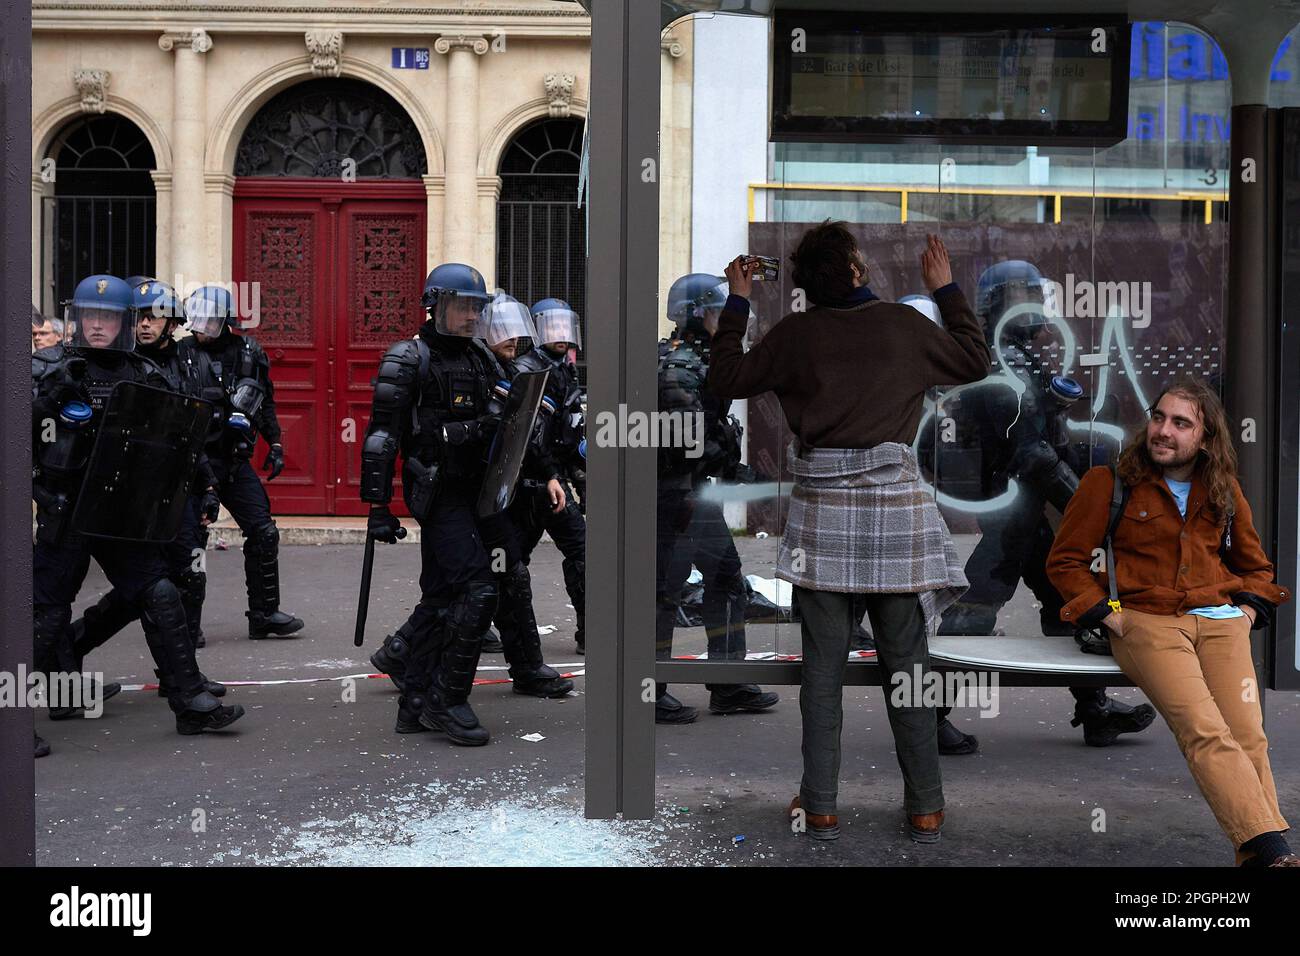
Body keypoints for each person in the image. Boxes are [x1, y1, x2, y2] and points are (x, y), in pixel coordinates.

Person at [708, 226, 988, 843]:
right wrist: (945, 290)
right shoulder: (905, 326)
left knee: (822, 674)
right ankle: (925, 806)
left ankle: (822, 804)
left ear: (808, 282)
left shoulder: (795, 335)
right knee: (907, 670)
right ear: (857, 269)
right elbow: (976, 359)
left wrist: (738, 299)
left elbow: (724, 378)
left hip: (823, 519)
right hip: (898, 519)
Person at [1048, 379, 1295, 866]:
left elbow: (1257, 568)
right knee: (1204, 729)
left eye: (1181, 423)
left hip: (1221, 621)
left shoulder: (1223, 489)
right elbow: (1065, 561)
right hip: (1147, 621)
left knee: (1248, 736)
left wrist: (1246, 612)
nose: (1163, 430)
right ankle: (1274, 851)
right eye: (1159, 417)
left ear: (1204, 438)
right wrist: (1105, 615)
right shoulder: (1109, 481)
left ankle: (1260, 858)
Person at [935, 260, 1155, 754]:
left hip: (1027, 509)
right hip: (1015, 507)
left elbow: (1041, 436)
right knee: (976, 606)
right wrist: (1085, 502)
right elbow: (1031, 454)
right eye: (1031, 295)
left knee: (1065, 598)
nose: (1042, 307)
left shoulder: (1012, 355)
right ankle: (928, 714)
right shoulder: (1003, 361)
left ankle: (1095, 712)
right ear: (1011, 301)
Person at [32, 274, 244, 757]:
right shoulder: (45, 367)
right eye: (91, 316)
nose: (100, 326)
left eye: (109, 317)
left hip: (118, 510)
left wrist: (204, 487)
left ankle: (190, 701)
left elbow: (177, 439)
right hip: (64, 511)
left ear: (125, 322)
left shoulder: (146, 372)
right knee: (45, 613)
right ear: (77, 318)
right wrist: (47, 400)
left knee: (160, 593)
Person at [362, 265, 569, 746]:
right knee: (477, 590)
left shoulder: (481, 356)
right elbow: (381, 438)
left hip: (482, 493)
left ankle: (415, 703)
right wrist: (377, 507)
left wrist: (546, 471)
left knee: (446, 596)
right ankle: (446, 700)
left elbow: (515, 417)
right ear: (436, 305)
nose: (472, 314)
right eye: (463, 305)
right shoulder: (408, 359)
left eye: (478, 306)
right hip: (439, 493)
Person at [67, 279, 226, 698]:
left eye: (154, 317)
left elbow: (186, 433)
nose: (145, 325)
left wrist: (207, 485)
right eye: (139, 317)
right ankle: (68, 658)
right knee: (137, 588)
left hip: (161, 496)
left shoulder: (187, 362)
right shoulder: (90, 366)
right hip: (98, 504)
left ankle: (182, 679)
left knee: (179, 582)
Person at [655, 272, 779, 725]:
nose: (725, 319)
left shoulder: (698, 358)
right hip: (674, 494)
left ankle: (727, 683)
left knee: (723, 577)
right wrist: (731, 466)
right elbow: (685, 440)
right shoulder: (679, 366)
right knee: (664, 588)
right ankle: (654, 687)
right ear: (696, 314)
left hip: (690, 491)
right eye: (716, 311)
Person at [185, 285, 304, 640]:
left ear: (225, 321)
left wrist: (277, 442)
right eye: (196, 318)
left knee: (264, 532)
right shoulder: (181, 355)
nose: (199, 327)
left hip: (234, 461)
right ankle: (187, 627)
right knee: (192, 544)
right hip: (195, 464)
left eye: (208, 320)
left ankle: (264, 614)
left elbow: (264, 400)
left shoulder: (249, 352)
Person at [513, 297, 588, 655]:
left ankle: (591, 633)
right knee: (508, 565)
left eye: (565, 326)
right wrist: (551, 476)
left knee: (583, 553)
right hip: (532, 485)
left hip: (552, 480)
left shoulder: (564, 369)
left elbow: (567, 433)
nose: (561, 334)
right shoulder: (528, 369)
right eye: (552, 326)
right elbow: (530, 435)